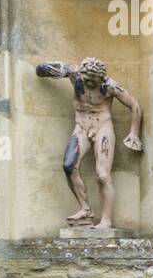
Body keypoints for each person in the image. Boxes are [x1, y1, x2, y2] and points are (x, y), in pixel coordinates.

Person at [35, 57, 143, 229]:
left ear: (101, 78)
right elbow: (45, 69)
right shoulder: (74, 75)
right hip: (81, 127)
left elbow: (135, 106)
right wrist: (44, 69)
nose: (90, 84)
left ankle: (106, 220)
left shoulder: (109, 86)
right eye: (87, 80)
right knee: (69, 166)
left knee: (102, 175)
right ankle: (85, 209)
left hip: (102, 127)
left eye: (94, 81)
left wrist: (134, 133)